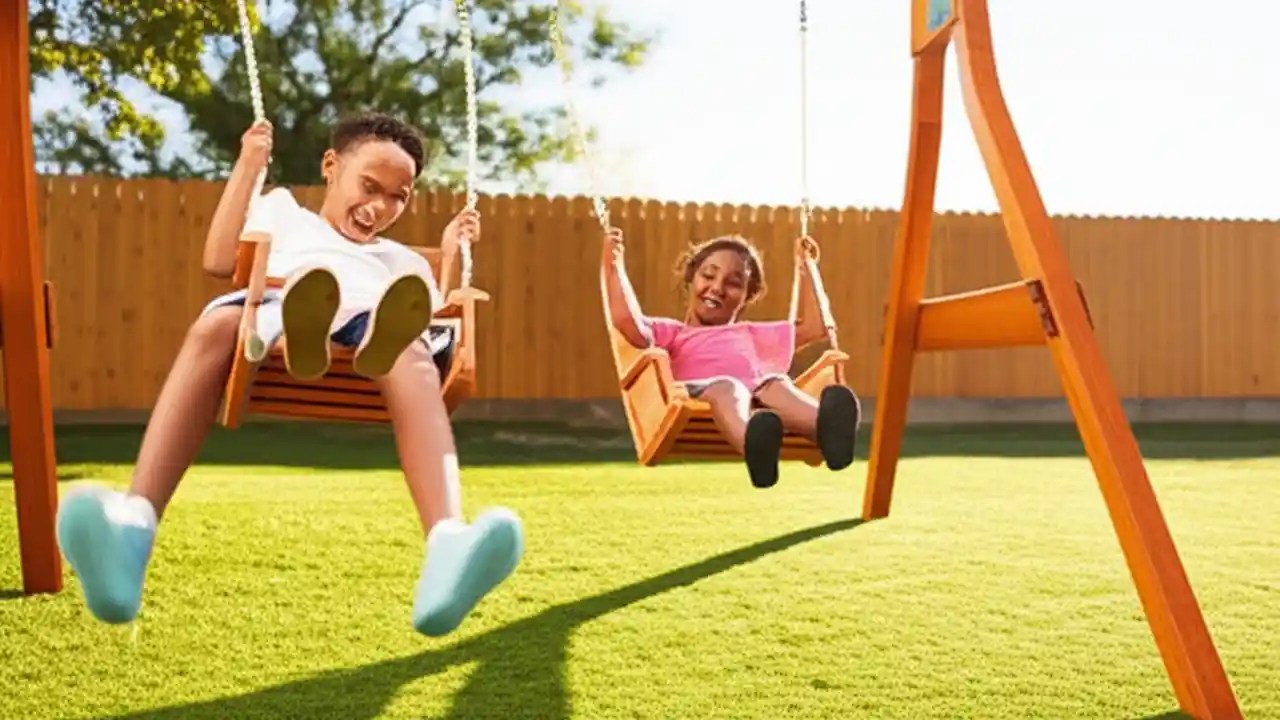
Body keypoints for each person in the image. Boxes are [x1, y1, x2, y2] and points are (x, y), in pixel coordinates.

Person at [55, 112, 523, 638]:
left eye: (398, 196)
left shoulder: (401, 263)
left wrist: (452, 254)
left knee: (410, 348)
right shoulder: (283, 212)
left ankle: (448, 543)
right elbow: (218, 260)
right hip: (276, 305)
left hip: (373, 326)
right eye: (370, 186)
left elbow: (433, 314)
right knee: (221, 323)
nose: (379, 206)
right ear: (331, 166)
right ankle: (132, 526)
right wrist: (249, 165)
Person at [601, 226, 860, 488]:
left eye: (734, 283)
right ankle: (755, 445)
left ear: (748, 296)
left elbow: (815, 327)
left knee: (775, 382)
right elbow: (627, 322)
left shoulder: (752, 334)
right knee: (729, 386)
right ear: (691, 277)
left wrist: (806, 269)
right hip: (701, 394)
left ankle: (829, 431)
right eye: (709, 275)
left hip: (756, 399)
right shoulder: (673, 333)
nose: (717, 288)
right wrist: (614, 267)